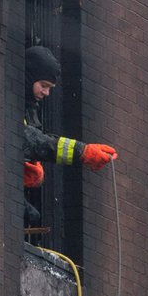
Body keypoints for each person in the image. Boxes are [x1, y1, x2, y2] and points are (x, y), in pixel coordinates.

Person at [23, 45, 117, 227]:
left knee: (31, 216)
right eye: (43, 85)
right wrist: (82, 151)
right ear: (29, 78)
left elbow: (33, 141)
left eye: (50, 88)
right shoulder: (11, 100)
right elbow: (29, 139)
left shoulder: (28, 108)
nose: (46, 93)